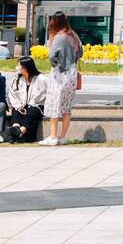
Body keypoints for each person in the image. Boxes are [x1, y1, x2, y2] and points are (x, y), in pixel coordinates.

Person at [41, 12, 81, 146]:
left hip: (60, 74)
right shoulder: (74, 35)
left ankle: (53, 137)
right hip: (72, 74)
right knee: (66, 108)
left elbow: (52, 56)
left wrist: (56, 64)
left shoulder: (59, 37)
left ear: (55, 23)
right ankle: (62, 138)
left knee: (55, 104)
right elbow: (81, 52)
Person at [6, 56, 48, 143]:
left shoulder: (41, 78)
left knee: (31, 112)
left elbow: (45, 94)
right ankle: (16, 128)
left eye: (19, 66)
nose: (17, 68)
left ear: (25, 68)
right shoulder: (17, 79)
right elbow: (12, 94)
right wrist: (19, 106)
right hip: (21, 104)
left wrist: (29, 105)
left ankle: (19, 132)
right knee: (15, 111)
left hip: (37, 105)